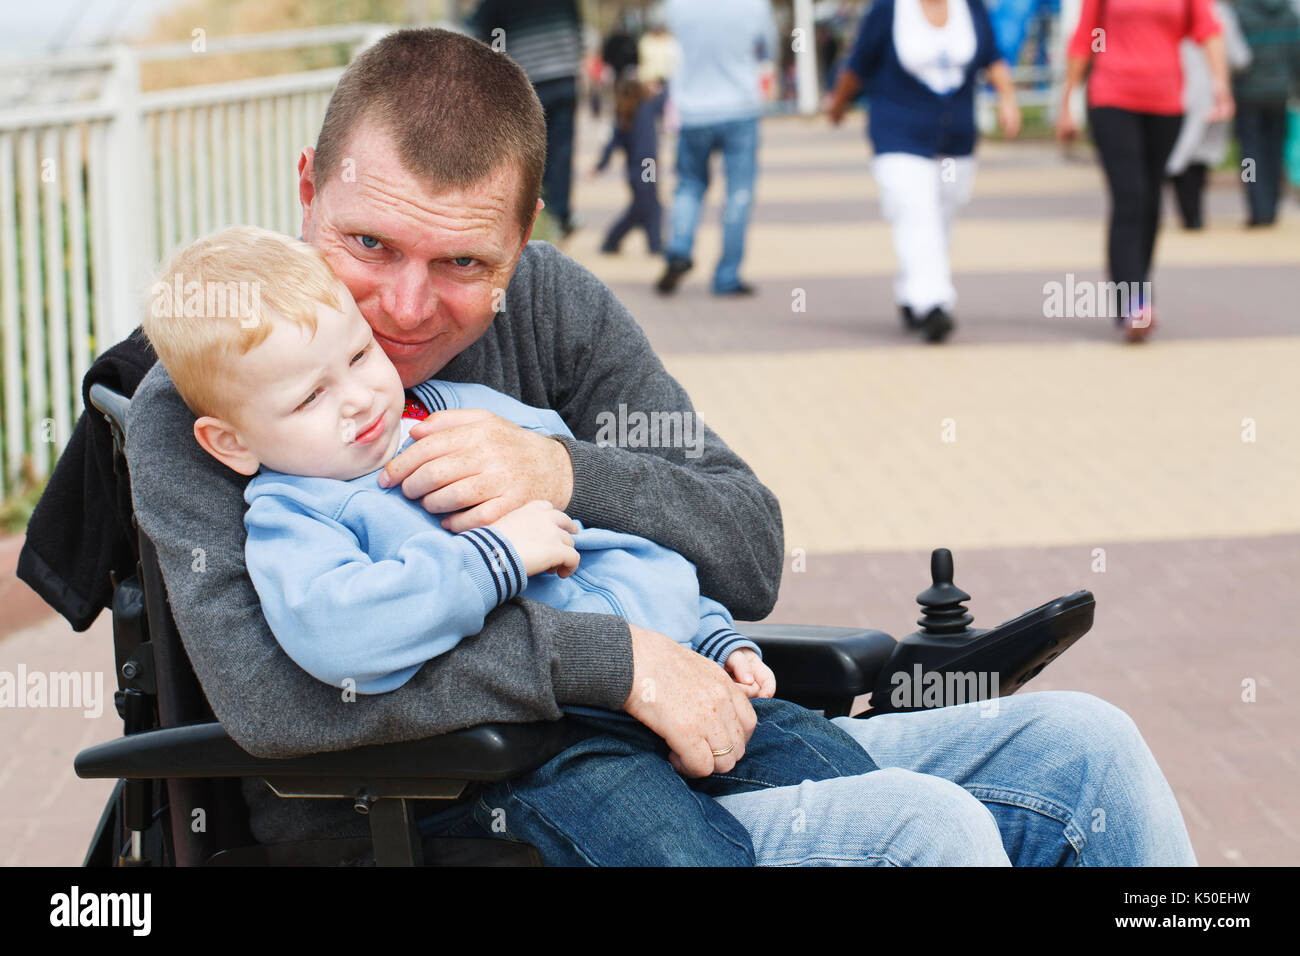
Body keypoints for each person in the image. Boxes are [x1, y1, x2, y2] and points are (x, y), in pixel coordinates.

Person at [125, 27, 1198, 866]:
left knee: (1083, 746)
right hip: (454, 813)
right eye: (368, 243)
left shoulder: (554, 311)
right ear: (308, 187)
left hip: (689, 747)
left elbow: (746, 541)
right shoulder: (224, 391)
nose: (404, 308)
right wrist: (617, 662)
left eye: (461, 259)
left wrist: (566, 472)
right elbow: (275, 698)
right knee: (926, 832)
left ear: (525, 235)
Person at [138, 225, 879, 864]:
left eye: (360, 358)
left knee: (856, 786)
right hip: (541, 752)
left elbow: (623, 547)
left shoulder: (471, 417)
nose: (359, 399)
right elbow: (342, 634)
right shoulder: (295, 518)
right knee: (676, 847)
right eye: (308, 398)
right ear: (229, 442)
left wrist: (713, 639)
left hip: (672, 684)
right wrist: (492, 561)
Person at [828, 0, 1022, 343]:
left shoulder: (970, 8)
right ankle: (934, 304)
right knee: (916, 212)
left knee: (942, 217)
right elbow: (859, 63)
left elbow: (991, 56)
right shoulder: (888, 9)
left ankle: (911, 293)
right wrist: (839, 104)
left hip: (955, 139)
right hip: (898, 133)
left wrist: (1008, 99)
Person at [1057, 0, 1234, 341]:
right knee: (1130, 196)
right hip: (1112, 97)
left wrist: (1220, 82)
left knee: (1151, 197)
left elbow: (1208, 29)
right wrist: (1068, 101)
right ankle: (1132, 305)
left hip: (1166, 102)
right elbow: (1088, 37)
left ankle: (1140, 293)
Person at [655, 0, 776, 297]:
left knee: (689, 186)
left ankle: (679, 250)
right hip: (740, 107)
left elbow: (669, 45)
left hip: (693, 110)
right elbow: (769, 50)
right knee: (739, 192)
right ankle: (726, 277)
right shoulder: (754, 5)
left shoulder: (677, 6)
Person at [468, 0, 583, 237]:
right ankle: (559, 215)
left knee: (526, 151)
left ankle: (529, 214)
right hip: (564, 75)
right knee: (562, 150)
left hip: (528, 80)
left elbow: (484, 39)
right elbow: (576, 28)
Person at [1166, 1, 1250, 229]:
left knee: (1182, 151)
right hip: (1209, 91)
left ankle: (1190, 213)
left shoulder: (1171, 9)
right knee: (1197, 154)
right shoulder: (1219, 12)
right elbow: (1239, 56)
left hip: (1173, 90)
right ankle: (1193, 214)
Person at [1231, 0, 1300, 226]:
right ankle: (1271, 206)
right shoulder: (1289, 14)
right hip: (1280, 93)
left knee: (1250, 155)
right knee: (1274, 152)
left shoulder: (1239, 13)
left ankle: (1256, 206)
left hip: (1246, 93)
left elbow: (1232, 53)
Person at [591, 78, 666, 255]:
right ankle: (614, 240)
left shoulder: (624, 116)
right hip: (648, 165)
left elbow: (611, 146)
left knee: (649, 205)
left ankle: (654, 244)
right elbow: (665, 96)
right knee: (646, 206)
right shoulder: (647, 107)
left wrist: (600, 166)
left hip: (638, 167)